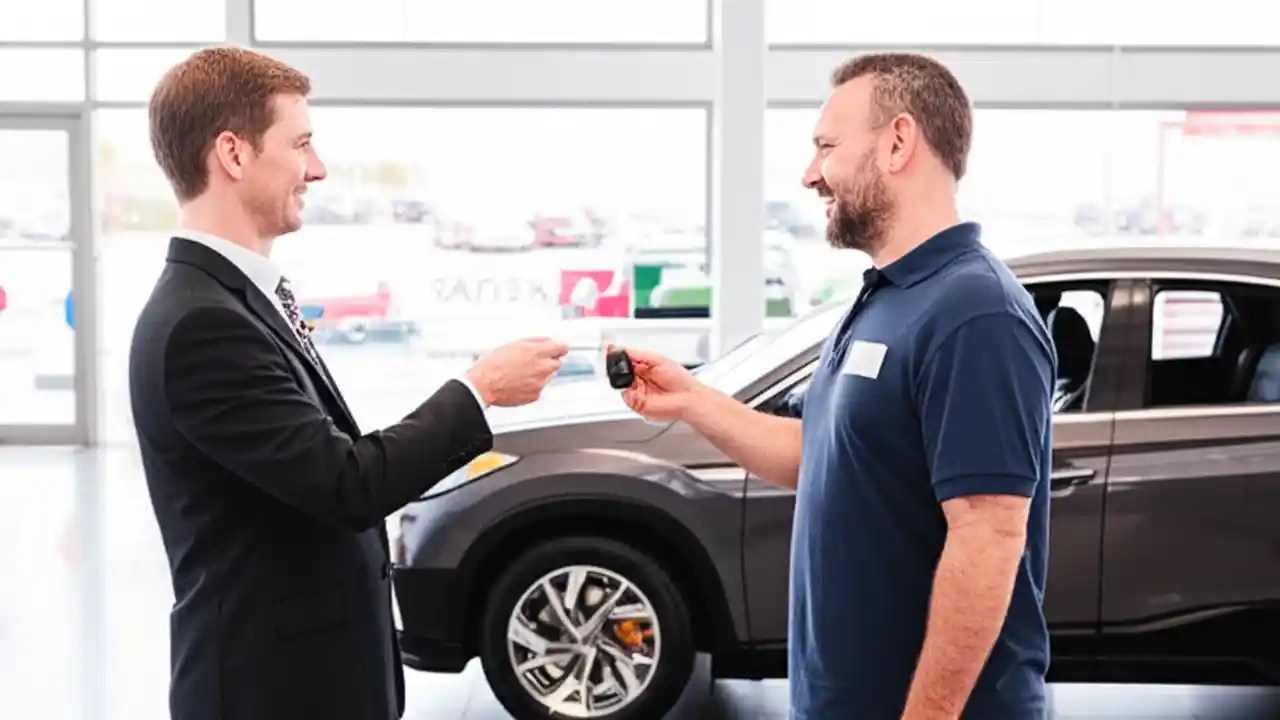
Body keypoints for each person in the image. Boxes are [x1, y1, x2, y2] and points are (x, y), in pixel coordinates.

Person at [128, 46, 567, 720]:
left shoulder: (227, 302)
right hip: (272, 691)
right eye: (301, 143)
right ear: (233, 154)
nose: (318, 169)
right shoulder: (202, 326)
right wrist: (478, 389)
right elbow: (347, 483)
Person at [618, 52, 1054, 719]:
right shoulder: (885, 296)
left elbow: (989, 537)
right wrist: (692, 400)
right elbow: (820, 455)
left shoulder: (977, 312)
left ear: (898, 142)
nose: (809, 174)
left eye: (826, 147)